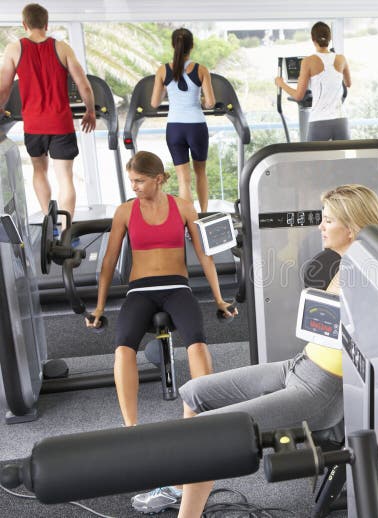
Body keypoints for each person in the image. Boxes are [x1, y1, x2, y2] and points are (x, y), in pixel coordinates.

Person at [130, 184, 378, 516]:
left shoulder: (367, 277)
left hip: (320, 389)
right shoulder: (344, 263)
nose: (320, 227)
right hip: (298, 365)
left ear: (351, 228)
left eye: (327, 221)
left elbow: (375, 345)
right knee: (194, 392)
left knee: (208, 433)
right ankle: (182, 488)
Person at [86, 151, 236, 427]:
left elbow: (205, 256)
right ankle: (130, 425)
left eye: (140, 181)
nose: (134, 187)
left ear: (159, 179)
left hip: (177, 288)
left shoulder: (183, 208)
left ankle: (193, 418)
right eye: (131, 181)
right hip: (139, 291)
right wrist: (98, 306)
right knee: (123, 348)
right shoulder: (125, 211)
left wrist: (219, 299)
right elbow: (108, 261)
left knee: (197, 342)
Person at [0, 3, 95, 224]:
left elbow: (4, 87)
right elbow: (85, 85)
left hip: (34, 125)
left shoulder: (14, 49)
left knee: (39, 171)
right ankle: (66, 230)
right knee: (65, 178)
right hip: (61, 123)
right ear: (46, 23)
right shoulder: (62, 48)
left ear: (24, 24)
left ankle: (49, 224)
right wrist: (89, 110)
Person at [151, 28, 216, 212]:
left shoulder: (163, 70)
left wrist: (168, 91)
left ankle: (188, 220)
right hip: (196, 127)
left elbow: (154, 103)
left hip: (174, 128)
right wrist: (202, 101)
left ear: (173, 45)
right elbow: (210, 103)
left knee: (183, 180)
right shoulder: (201, 69)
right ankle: (203, 215)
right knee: (200, 173)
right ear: (192, 46)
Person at [274, 21, 351, 141]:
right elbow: (348, 83)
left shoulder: (308, 61)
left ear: (313, 39)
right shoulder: (341, 58)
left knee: (313, 159)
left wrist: (281, 83)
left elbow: (299, 96)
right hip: (341, 121)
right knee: (341, 159)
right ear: (329, 38)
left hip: (319, 122)